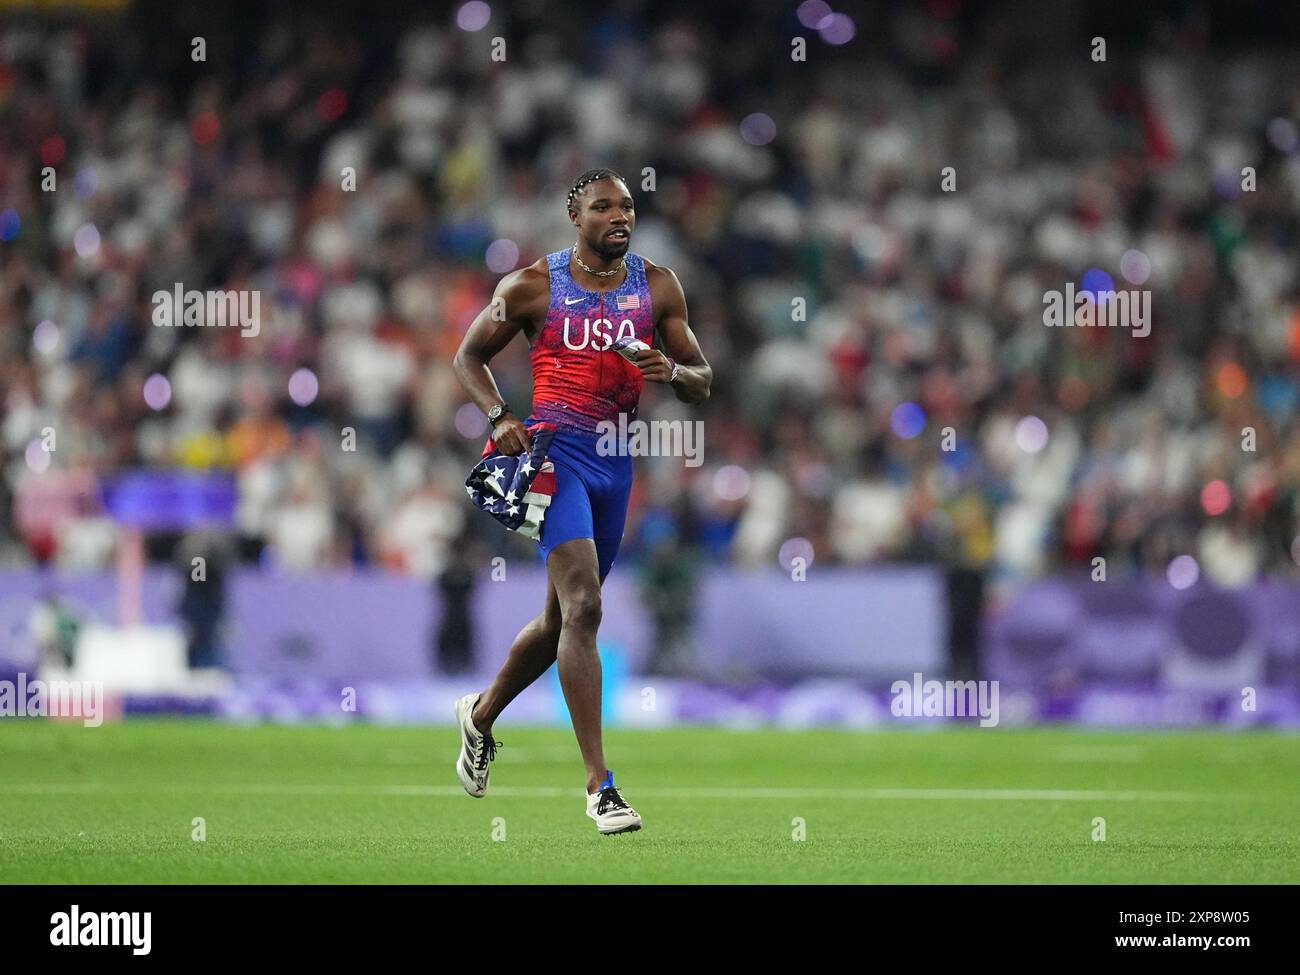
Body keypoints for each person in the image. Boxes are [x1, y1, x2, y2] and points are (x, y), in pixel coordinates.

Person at [451, 168, 712, 834]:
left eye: (627, 205)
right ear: (576, 217)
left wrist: (672, 371)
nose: (620, 215)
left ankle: (479, 717)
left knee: (560, 620)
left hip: (615, 464)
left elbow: (702, 381)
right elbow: (468, 356)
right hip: (557, 456)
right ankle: (601, 786)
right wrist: (497, 414)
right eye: (604, 206)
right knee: (586, 605)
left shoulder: (658, 286)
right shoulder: (534, 285)